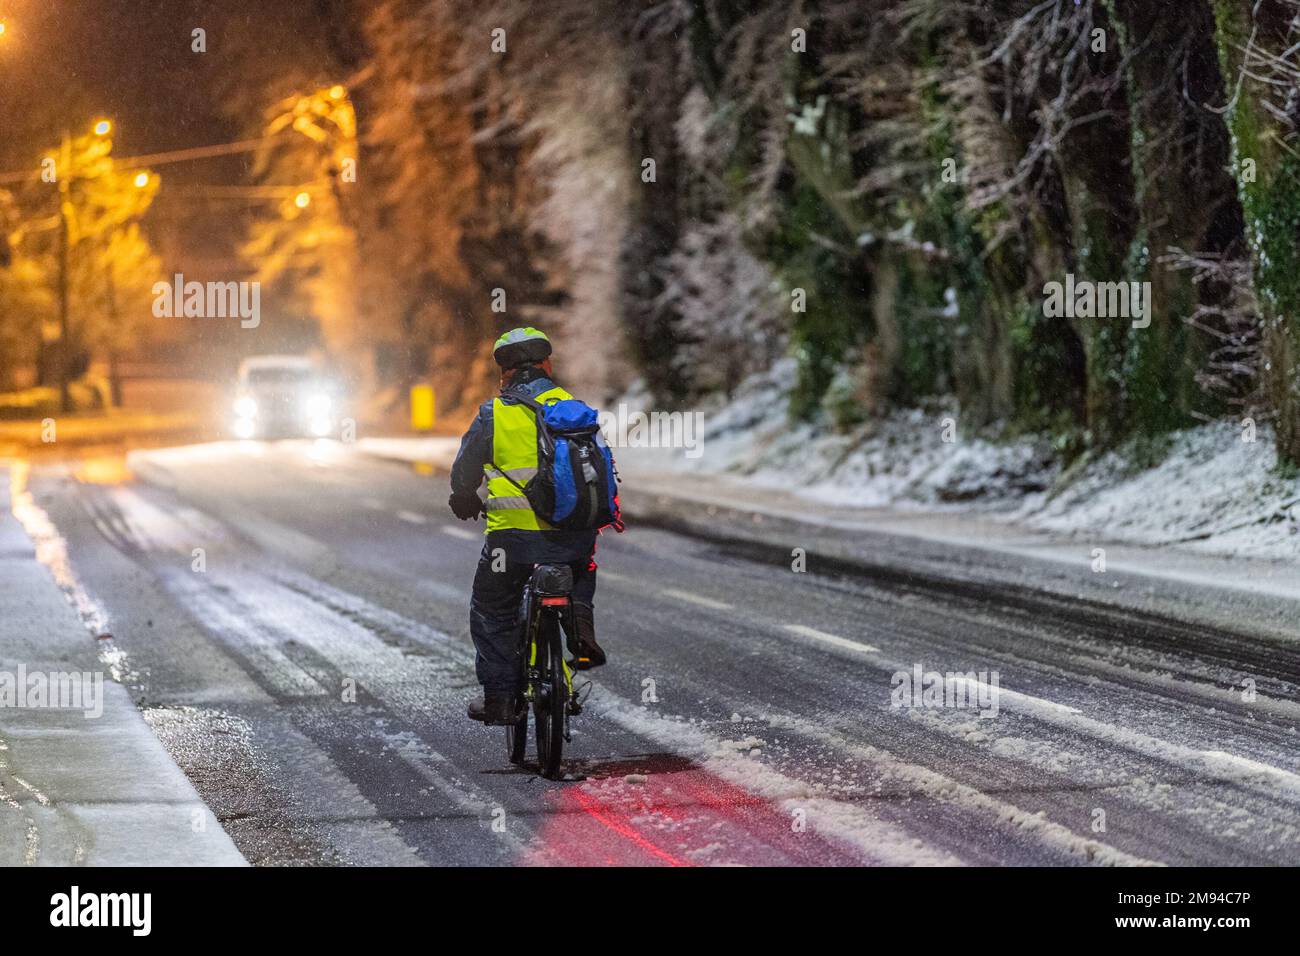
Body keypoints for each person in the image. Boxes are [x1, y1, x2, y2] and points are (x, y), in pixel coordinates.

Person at [448, 327, 608, 725]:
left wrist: (464, 496)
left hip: (512, 545)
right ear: (547, 366)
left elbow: (464, 470)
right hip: (573, 537)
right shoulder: (575, 409)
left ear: (504, 374)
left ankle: (501, 699)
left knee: (492, 607)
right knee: (582, 566)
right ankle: (580, 622)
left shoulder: (494, 413)